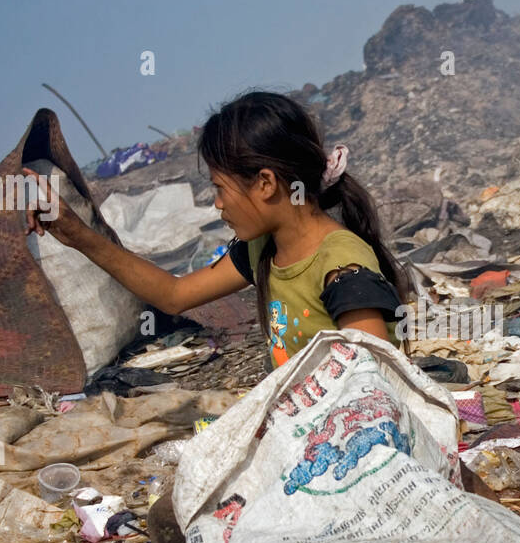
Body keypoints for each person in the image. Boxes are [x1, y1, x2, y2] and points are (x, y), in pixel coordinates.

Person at [24, 90, 410, 370]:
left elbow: (373, 376)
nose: (217, 203)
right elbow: (174, 294)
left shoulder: (340, 262)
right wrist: (77, 236)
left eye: (220, 187)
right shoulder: (263, 250)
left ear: (264, 183)